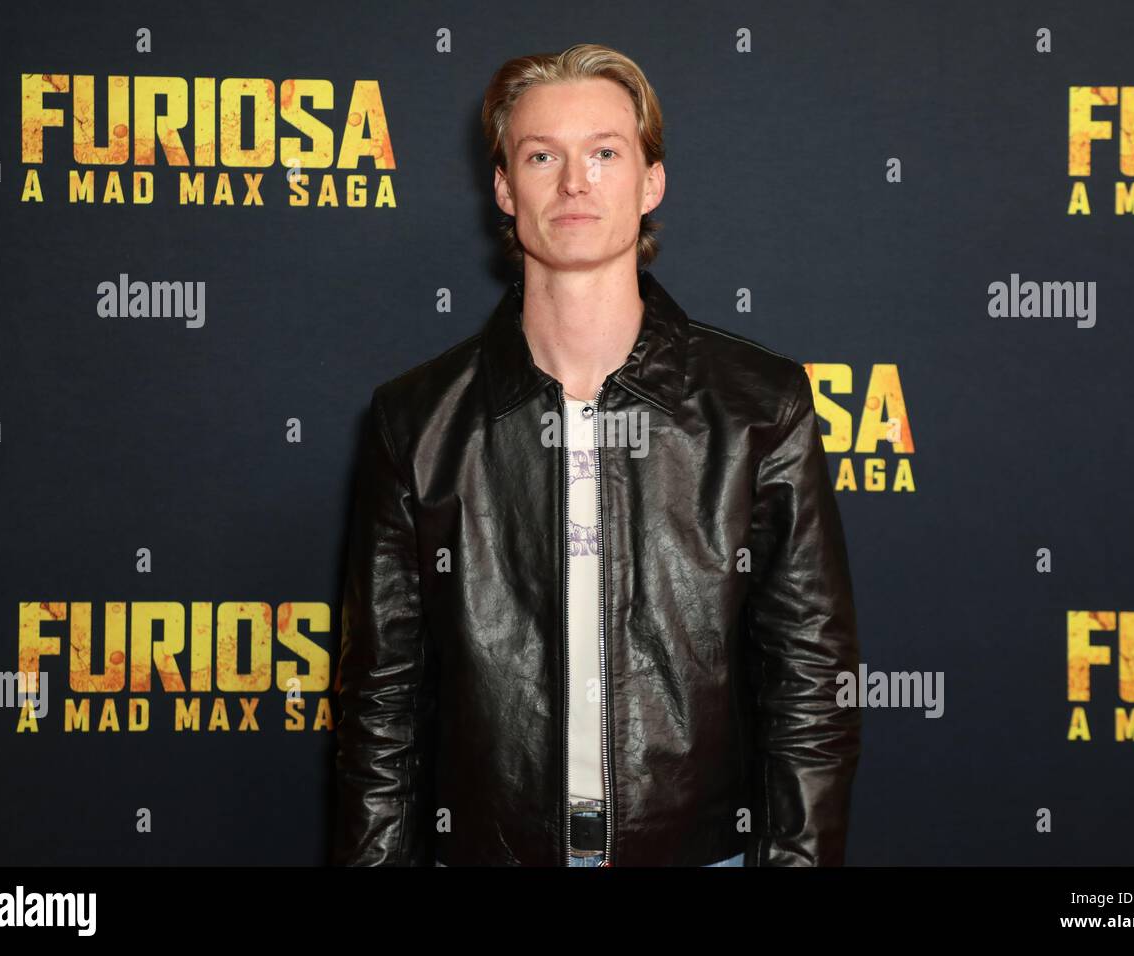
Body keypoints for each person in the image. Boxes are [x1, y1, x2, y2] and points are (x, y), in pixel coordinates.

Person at [333, 42, 860, 867]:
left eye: (605, 153)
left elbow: (812, 688)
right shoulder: (418, 421)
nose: (575, 182)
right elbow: (380, 705)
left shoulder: (760, 407)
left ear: (652, 182)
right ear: (506, 189)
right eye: (543, 155)